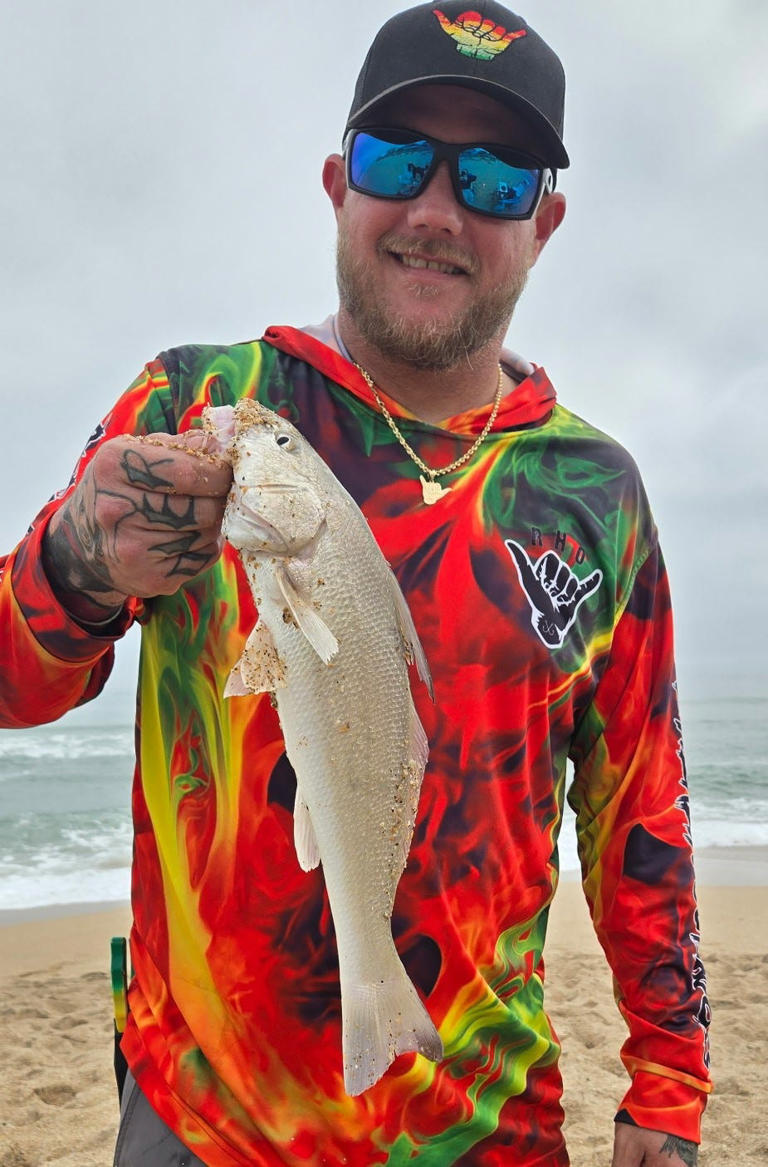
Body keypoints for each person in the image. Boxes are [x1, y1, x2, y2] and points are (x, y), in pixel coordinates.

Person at [0, 3, 711, 1164]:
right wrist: (73, 562)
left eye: (492, 177)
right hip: (203, 1119)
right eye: (398, 162)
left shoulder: (595, 492)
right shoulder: (201, 408)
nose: (437, 210)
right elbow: (11, 682)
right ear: (338, 181)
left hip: (485, 1125)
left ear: (547, 219)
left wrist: (668, 1089)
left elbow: (641, 811)